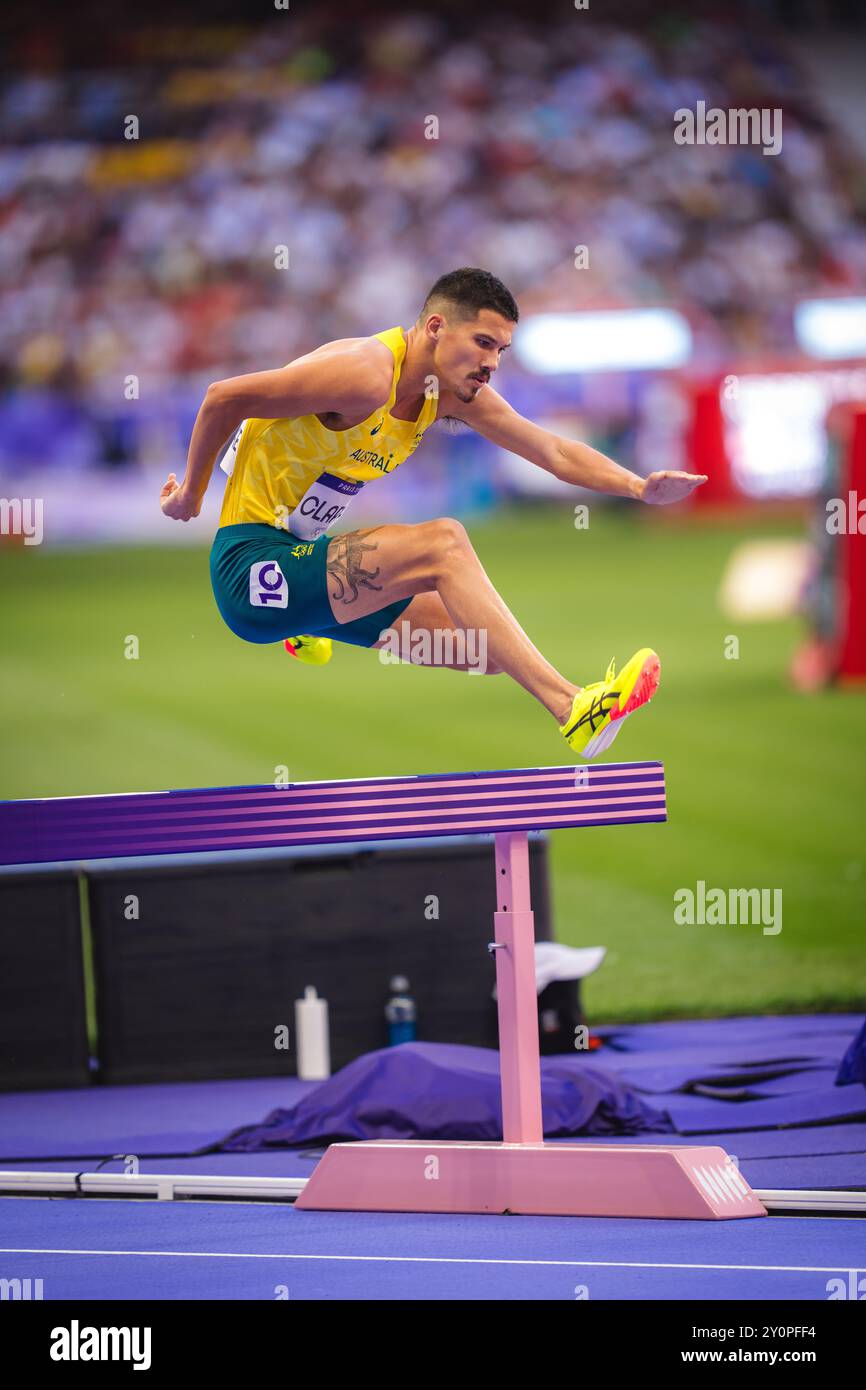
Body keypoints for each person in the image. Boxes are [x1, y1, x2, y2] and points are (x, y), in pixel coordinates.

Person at [161, 268, 706, 757]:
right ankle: (572, 709)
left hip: (296, 563)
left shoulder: (446, 395)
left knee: (481, 648)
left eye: (502, 351)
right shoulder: (365, 375)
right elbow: (222, 397)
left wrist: (638, 487)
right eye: (484, 343)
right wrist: (191, 494)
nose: (492, 363)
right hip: (249, 570)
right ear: (437, 327)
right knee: (443, 543)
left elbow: (554, 452)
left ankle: (305, 622)